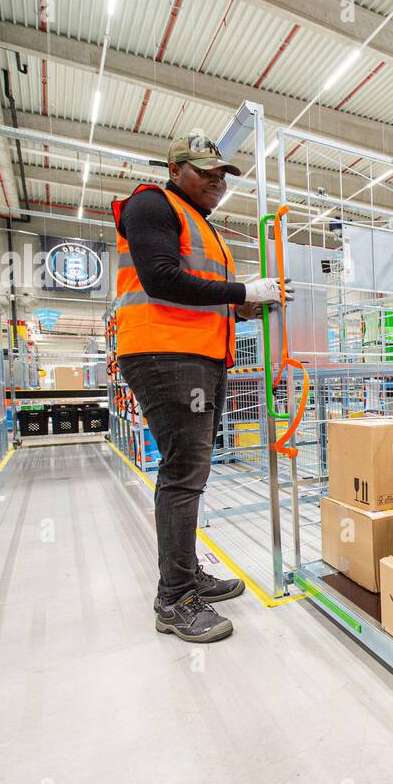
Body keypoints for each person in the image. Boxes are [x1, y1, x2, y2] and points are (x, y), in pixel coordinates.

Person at [114, 133, 286, 643]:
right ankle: (174, 600)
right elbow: (161, 279)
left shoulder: (202, 227)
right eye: (206, 171)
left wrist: (241, 305)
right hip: (165, 353)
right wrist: (241, 290)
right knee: (183, 472)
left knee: (193, 470)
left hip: (200, 356)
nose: (216, 182)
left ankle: (187, 575)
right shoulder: (152, 205)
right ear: (175, 168)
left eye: (222, 176)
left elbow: (197, 289)